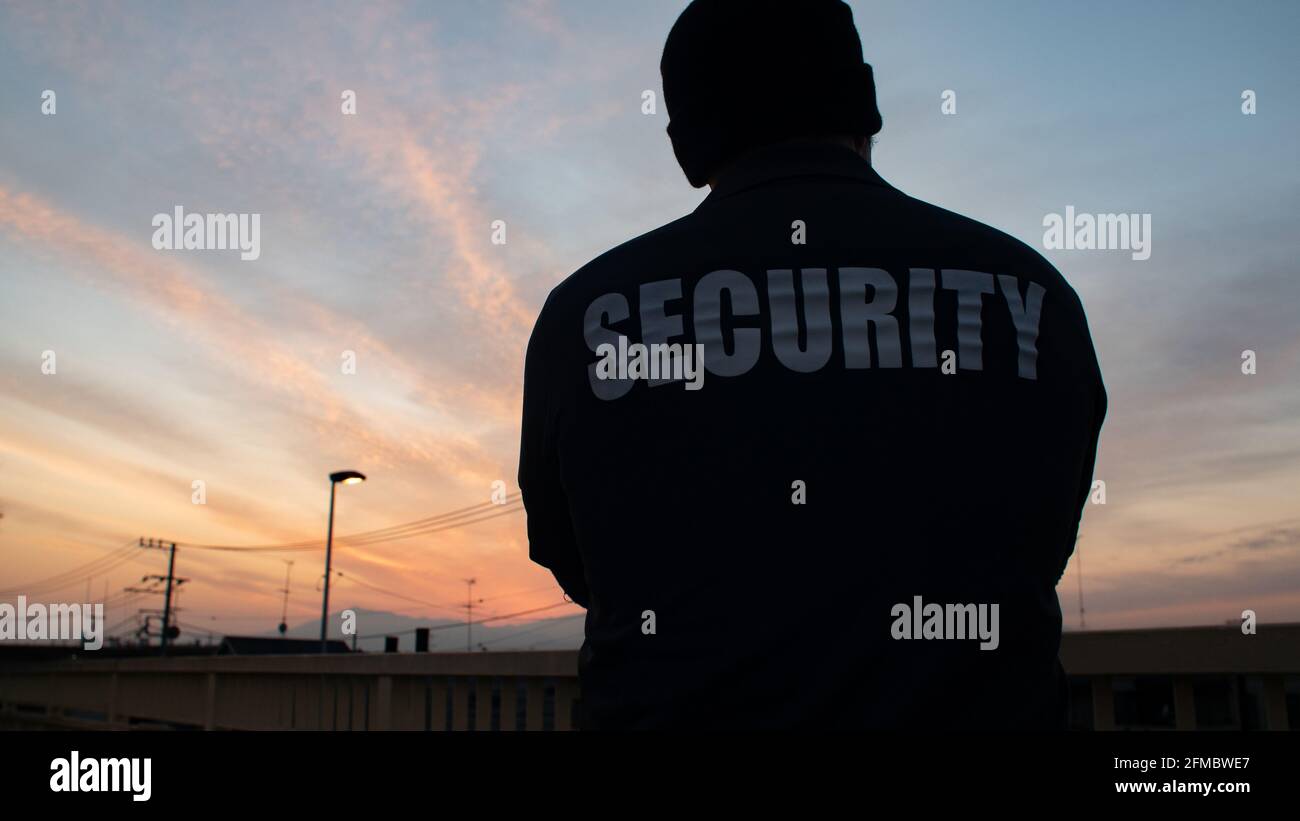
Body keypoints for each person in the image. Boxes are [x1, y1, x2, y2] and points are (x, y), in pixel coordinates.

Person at [519, 0, 1105, 730]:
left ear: (686, 139)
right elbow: (1044, 532)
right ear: (864, 98)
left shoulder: (584, 313)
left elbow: (573, 557)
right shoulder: (1032, 291)